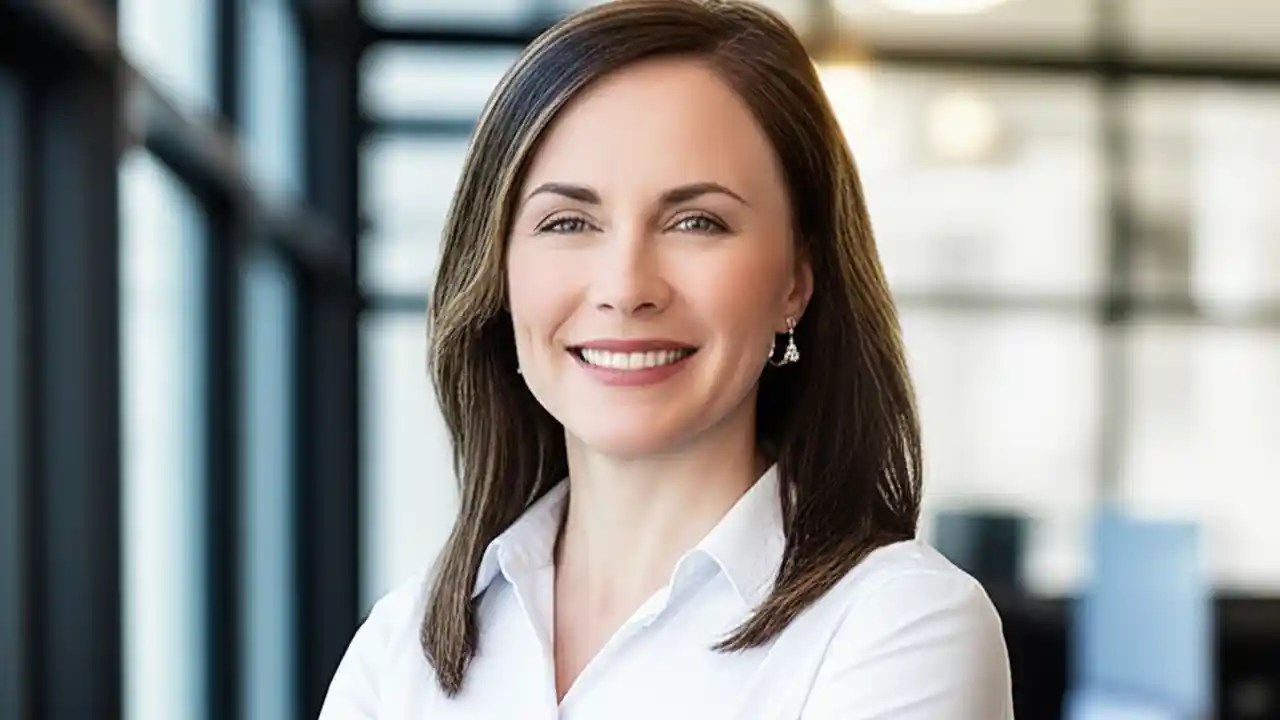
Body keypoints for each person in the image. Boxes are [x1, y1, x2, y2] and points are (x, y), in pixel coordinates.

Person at [320, 0, 1013, 717]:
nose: (626, 288)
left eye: (696, 221)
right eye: (568, 222)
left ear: (795, 283)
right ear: (498, 274)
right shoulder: (401, 650)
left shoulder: (901, 626)